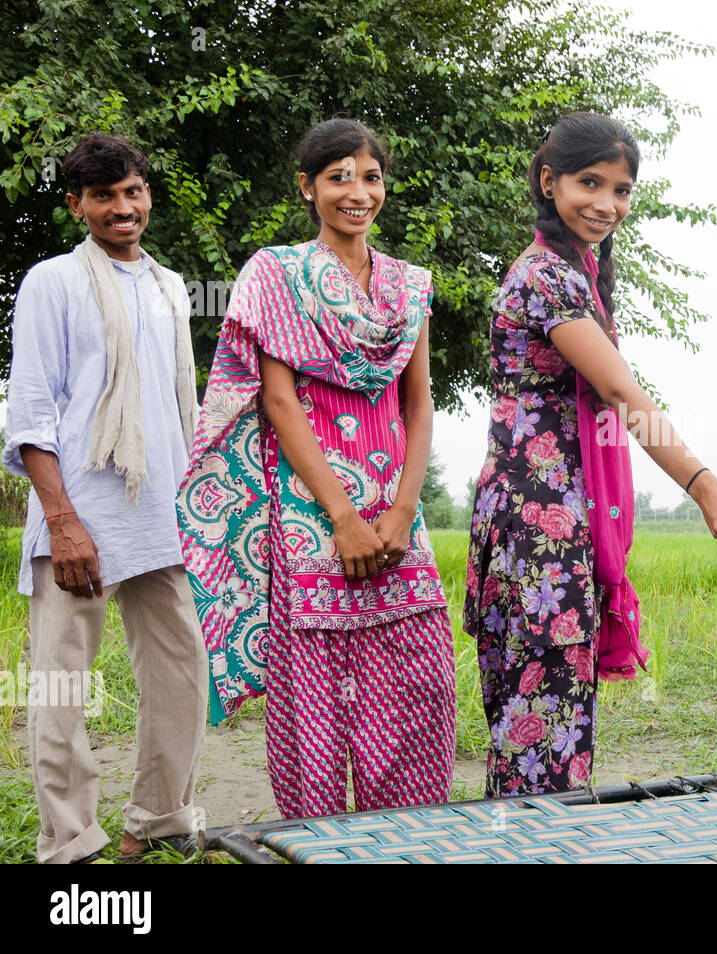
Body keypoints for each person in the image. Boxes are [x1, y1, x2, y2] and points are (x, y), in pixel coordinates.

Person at [465, 112, 717, 797]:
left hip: (556, 515)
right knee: (541, 718)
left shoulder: (579, 276)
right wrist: (705, 487)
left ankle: (536, 841)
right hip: (536, 522)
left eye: (622, 189)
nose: (607, 204)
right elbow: (617, 388)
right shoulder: (549, 278)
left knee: (554, 714)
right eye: (589, 183)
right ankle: (528, 848)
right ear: (550, 182)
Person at [176, 119, 455, 818]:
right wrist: (342, 515)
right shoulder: (274, 273)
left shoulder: (409, 288)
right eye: (339, 177)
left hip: (397, 513)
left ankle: (403, 840)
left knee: (419, 682)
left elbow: (418, 406)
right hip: (310, 513)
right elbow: (277, 401)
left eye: (370, 176)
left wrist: (398, 511)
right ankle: (321, 842)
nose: (357, 192)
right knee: (316, 699)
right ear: (307, 187)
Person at [3, 133, 206, 863]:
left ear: (147, 193)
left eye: (134, 191)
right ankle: (71, 841)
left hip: (161, 511)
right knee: (60, 688)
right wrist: (62, 520)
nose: (123, 208)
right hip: (79, 513)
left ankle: (160, 815)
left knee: (183, 672)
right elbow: (30, 407)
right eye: (104, 196)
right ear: (77, 205)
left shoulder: (169, 285)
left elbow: (180, 405)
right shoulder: (51, 281)